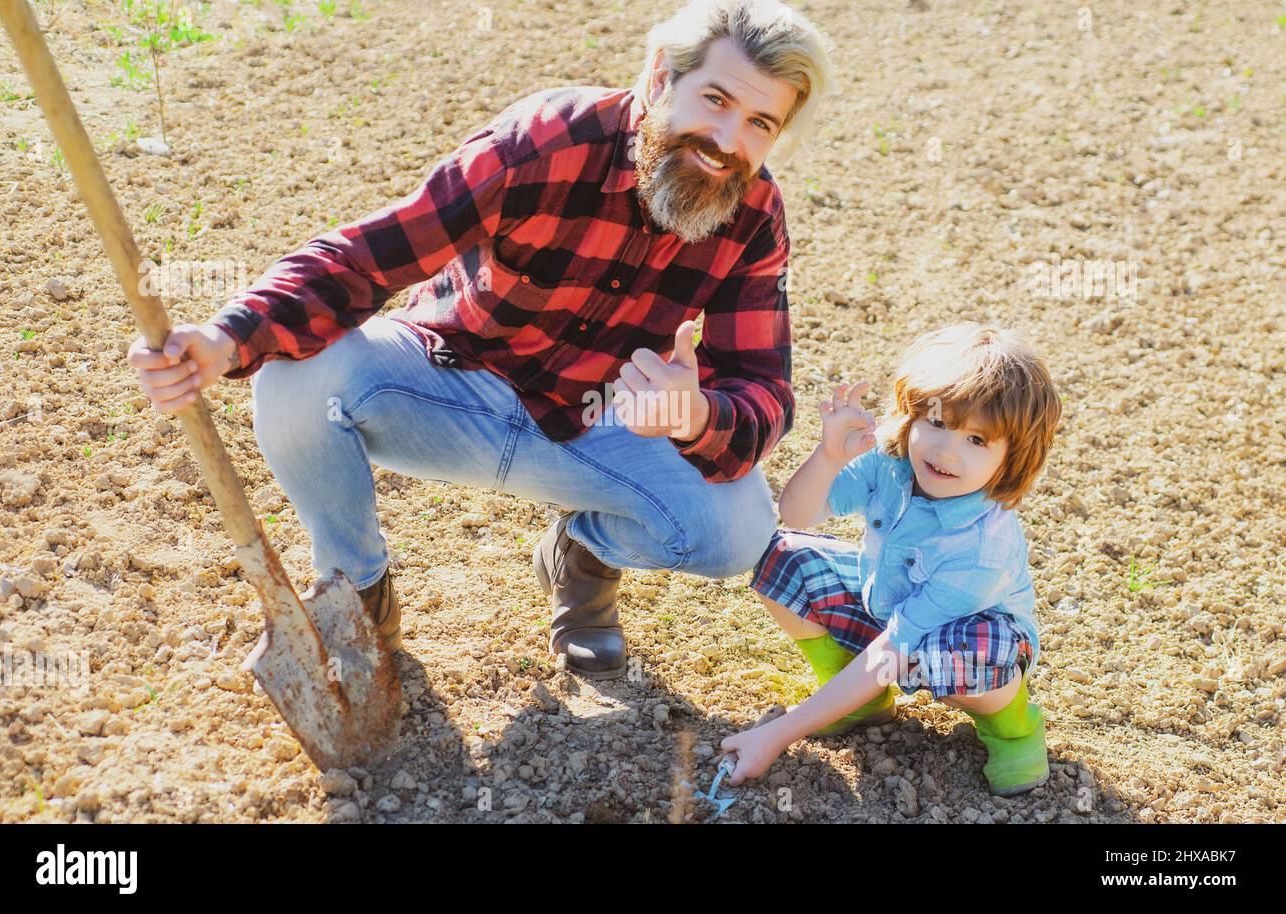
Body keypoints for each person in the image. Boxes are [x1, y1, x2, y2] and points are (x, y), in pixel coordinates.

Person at [126, 0, 833, 680]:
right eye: (715, 100)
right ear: (659, 75)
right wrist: (226, 337)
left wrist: (699, 414)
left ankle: (580, 554)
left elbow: (763, 388)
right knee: (295, 376)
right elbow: (368, 256)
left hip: (592, 426)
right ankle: (358, 595)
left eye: (760, 123)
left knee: (736, 530)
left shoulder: (755, 219)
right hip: (446, 386)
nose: (728, 142)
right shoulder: (548, 140)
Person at [722, 323, 1062, 796]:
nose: (946, 450)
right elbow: (797, 515)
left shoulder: (983, 548)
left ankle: (1013, 726)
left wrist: (777, 734)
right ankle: (857, 701)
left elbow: (893, 651)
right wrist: (827, 456)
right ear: (912, 414)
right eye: (938, 423)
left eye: (977, 440)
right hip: (883, 604)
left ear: (1013, 458)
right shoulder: (891, 455)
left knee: (965, 656)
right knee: (778, 554)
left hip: (969, 640)